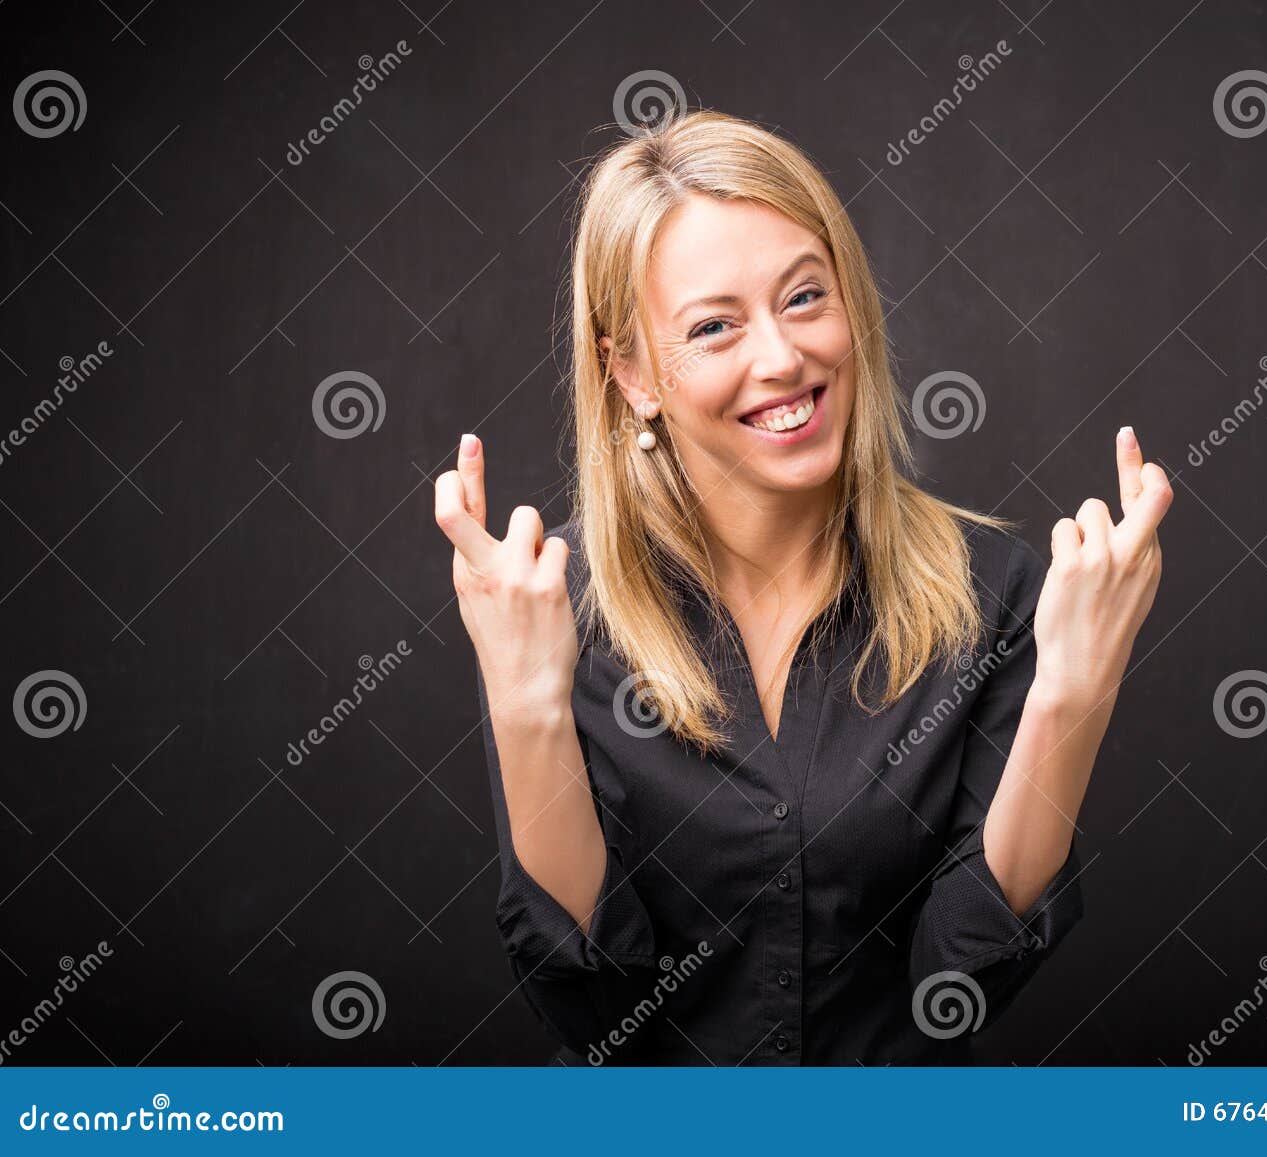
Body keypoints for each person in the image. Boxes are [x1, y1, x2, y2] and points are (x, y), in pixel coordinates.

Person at [432, 109, 1172, 1064]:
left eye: (805, 297)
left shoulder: (997, 593)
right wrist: (527, 705)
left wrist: (1075, 692)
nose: (782, 358)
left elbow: (960, 985)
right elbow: (594, 1007)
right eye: (713, 327)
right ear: (631, 372)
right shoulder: (550, 608)